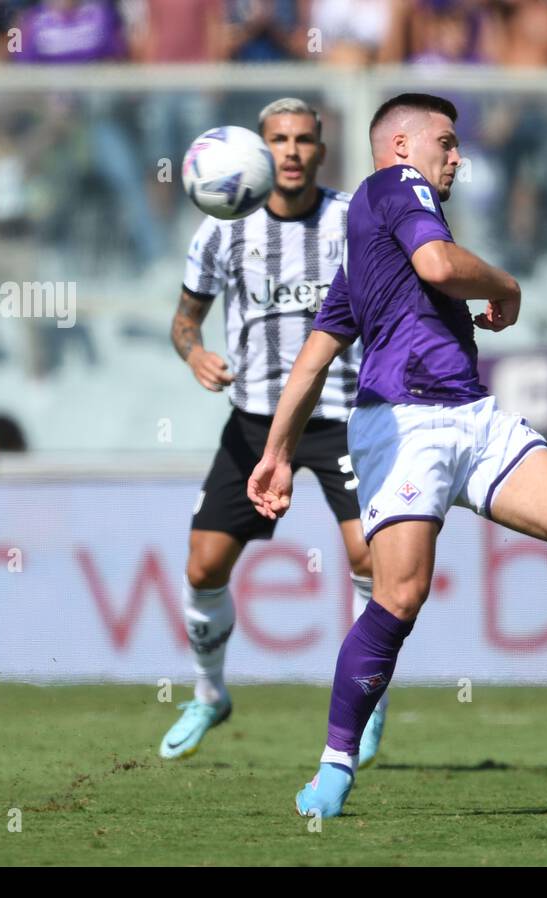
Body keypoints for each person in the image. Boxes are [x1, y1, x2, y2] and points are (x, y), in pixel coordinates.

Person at [248, 92, 547, 819]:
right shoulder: (393, 186)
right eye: (444, 142)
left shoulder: (366, 248)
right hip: (405, 424)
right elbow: (442, 265)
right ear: (402, 146)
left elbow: (318, 353)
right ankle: (335, 764)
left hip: (471, 416)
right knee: (400, 597)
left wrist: (278, 450)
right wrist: (509, 285)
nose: (457, 156)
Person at [161, 98, 388, 765]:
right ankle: (209, 693)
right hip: (256, 419)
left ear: (321, 149)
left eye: (303, 140)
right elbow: (183, 320)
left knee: (373, 560)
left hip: (347, 414)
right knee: (204, 566)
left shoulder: (355, 220)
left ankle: (366, 699)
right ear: (260, 150)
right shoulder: (222, 228)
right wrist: (195, 353)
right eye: (279, 140)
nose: (291, 151)